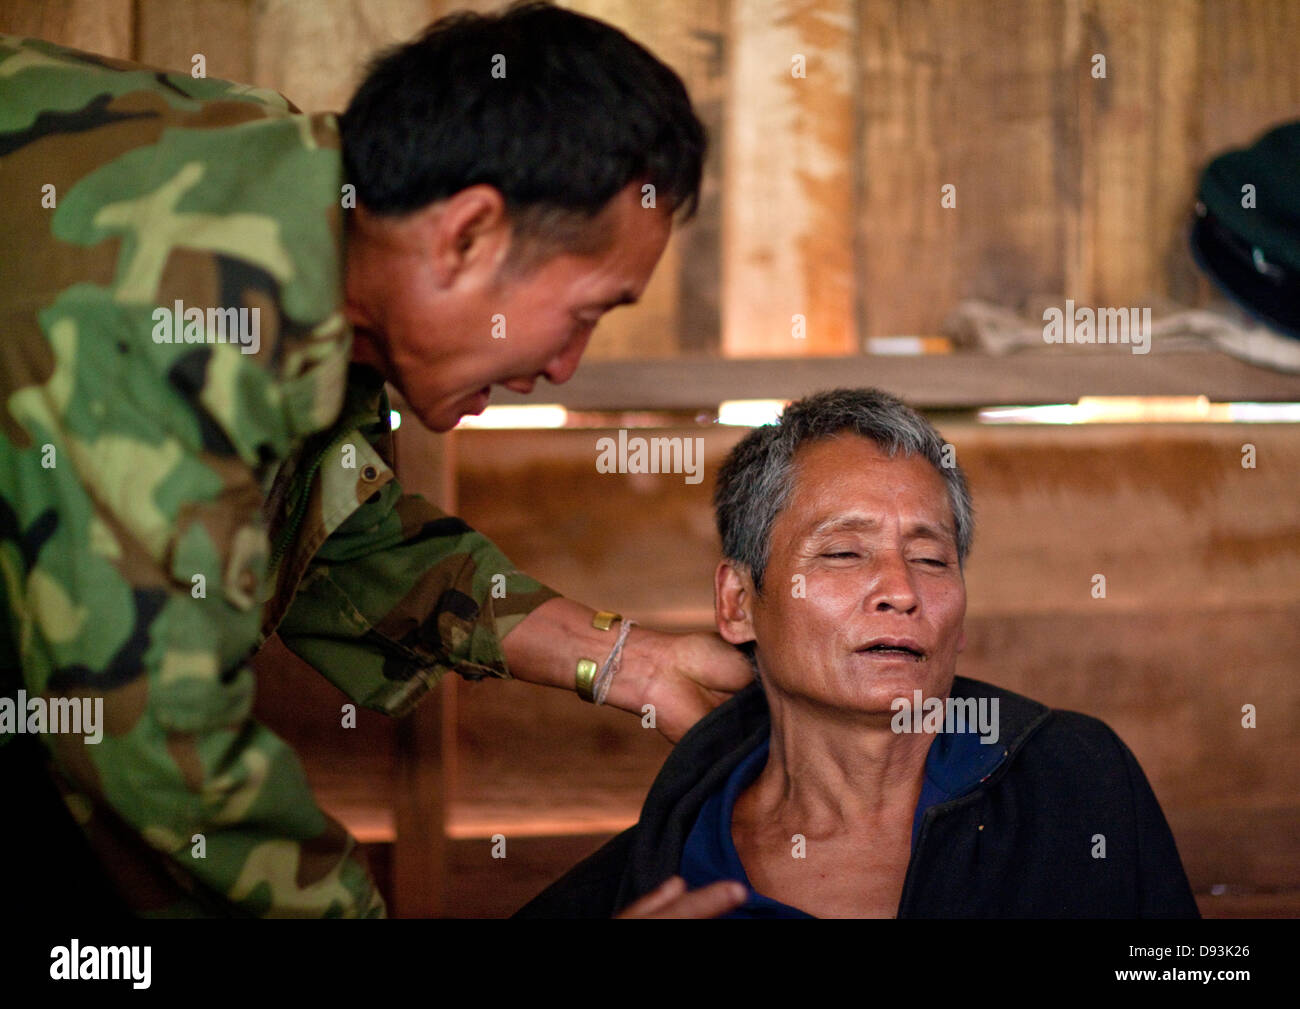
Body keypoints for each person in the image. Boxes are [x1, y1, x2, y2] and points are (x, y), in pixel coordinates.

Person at [0, 2, 751, 918]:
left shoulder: (302, 196)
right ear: (467, 235)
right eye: (588, 311)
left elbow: (325, 530)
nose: (563, 366)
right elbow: (152, 745)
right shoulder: (180, 313)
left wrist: (624, 660)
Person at [518, 388, 1200, 918]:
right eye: (844, 552)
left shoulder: (1073, 782)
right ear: (736, 601)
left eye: (931, 559)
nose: (901, 590)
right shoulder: (659, 873)